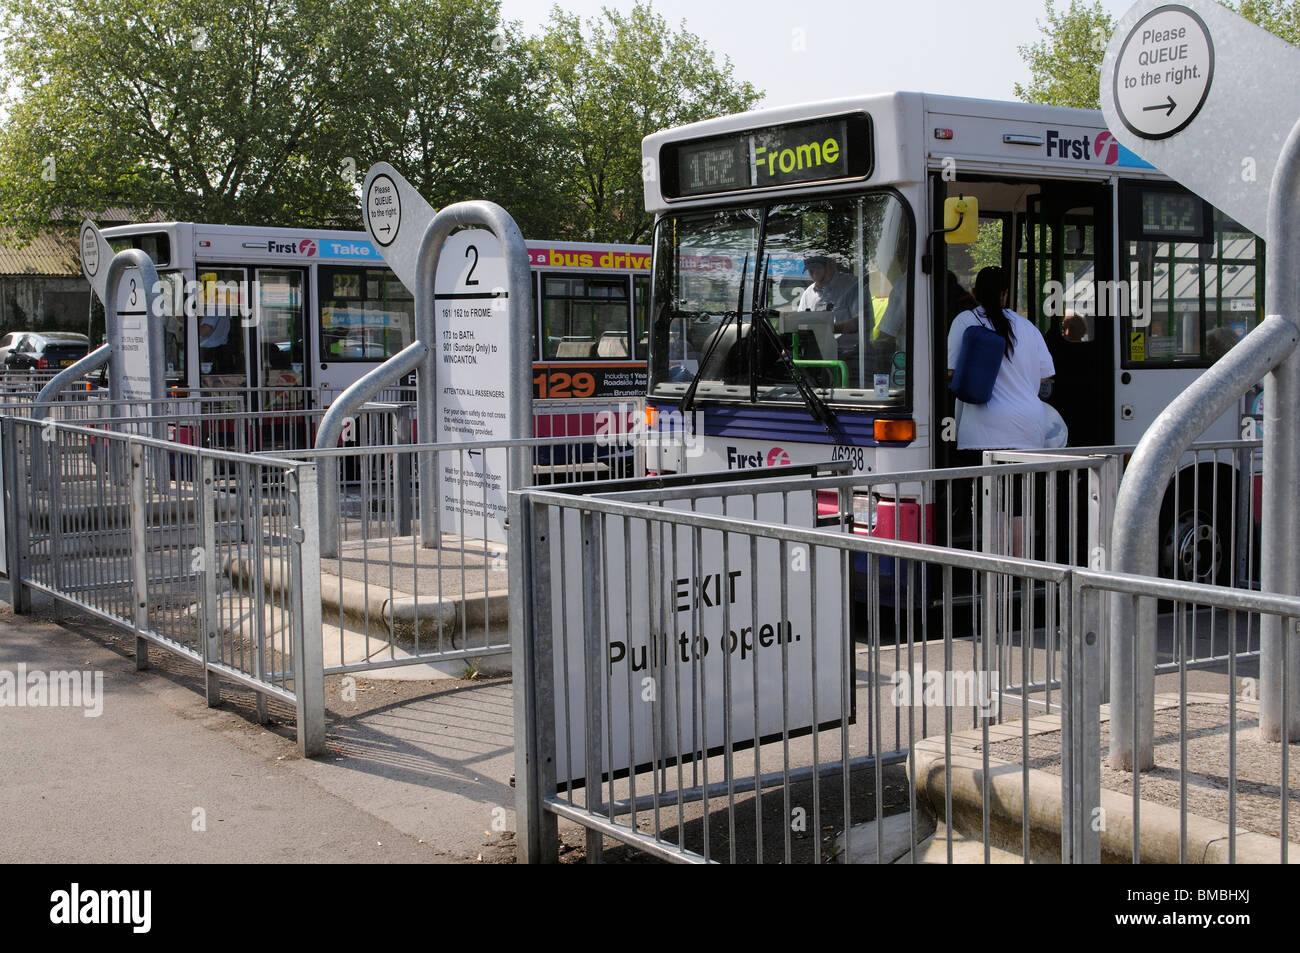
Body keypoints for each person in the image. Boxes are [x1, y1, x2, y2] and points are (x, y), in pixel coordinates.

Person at [947, 266, 1055, 463]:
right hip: (1029, 428)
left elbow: (951, 371)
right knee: (1022, 493)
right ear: (1005, 295)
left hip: (982, 431)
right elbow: (1045, 374)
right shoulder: (1027, 326)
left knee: (984, 492)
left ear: (974, 293)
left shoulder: (965, 321)